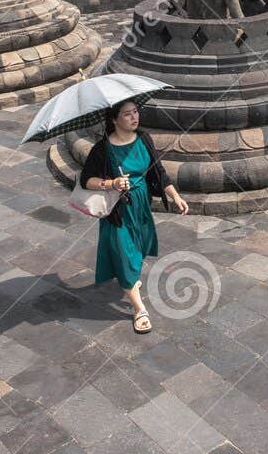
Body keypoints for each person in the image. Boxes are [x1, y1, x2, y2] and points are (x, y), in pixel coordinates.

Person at [80, 98, 189, 333]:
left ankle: (129, 280)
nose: (134, 117)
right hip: (117, 211)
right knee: (126, 255)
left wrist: (175, 196)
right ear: (114, 119)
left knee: (137, 251)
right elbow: (85, 180)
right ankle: (140, 309)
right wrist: (112, 183)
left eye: (135, 112)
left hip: (140, 205)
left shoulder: (144, 138)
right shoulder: (102, 149)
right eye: (127, 114)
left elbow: (158, 171)